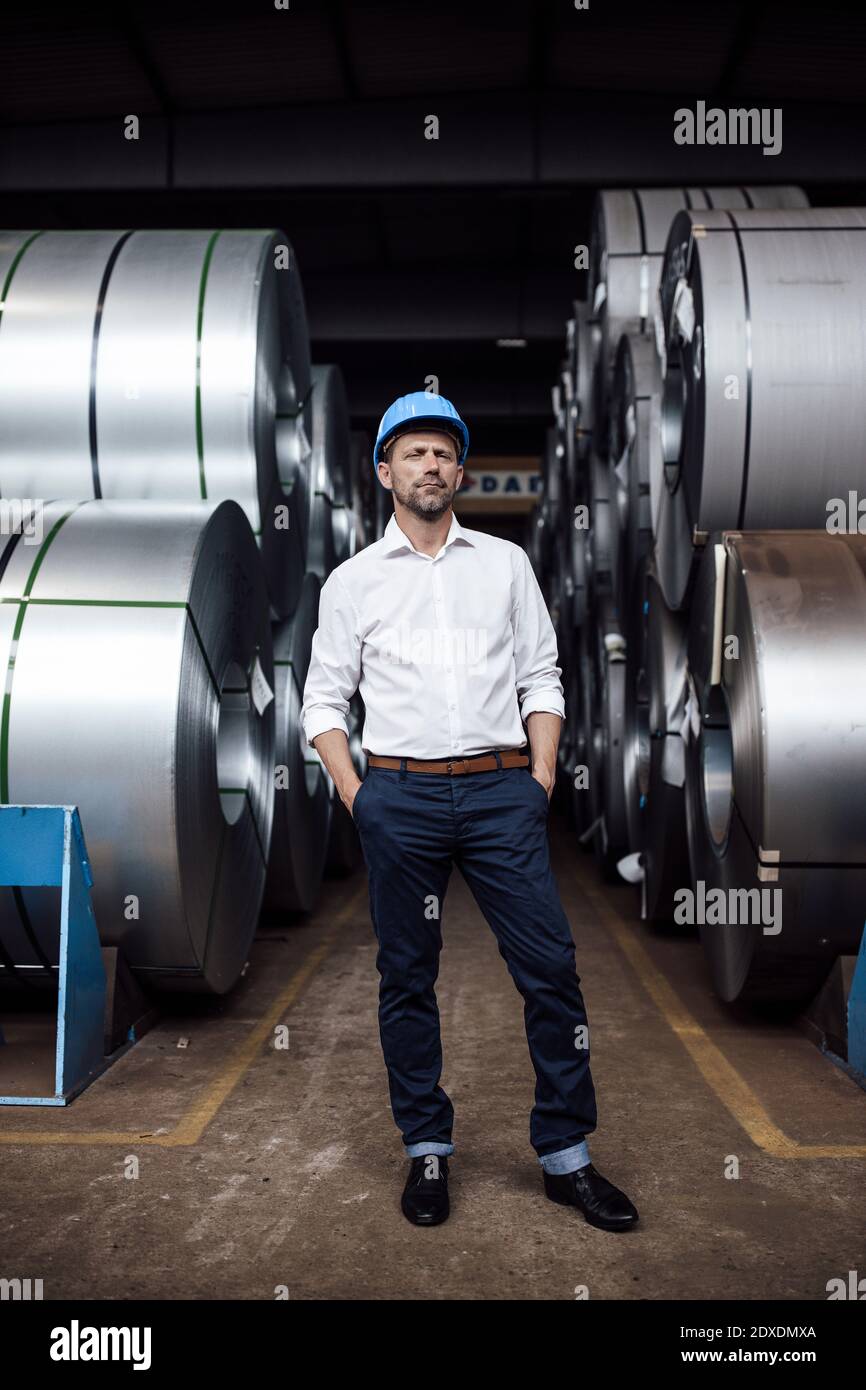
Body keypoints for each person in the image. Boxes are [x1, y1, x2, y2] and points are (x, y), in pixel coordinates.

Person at [301, 391, 638, 1233]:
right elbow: (321, 704)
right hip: (400, 797)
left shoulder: (506, 565)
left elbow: (543, 677)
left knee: (551, 969)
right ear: (385, 472)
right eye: (413, 453)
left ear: (462, 470)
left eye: (444, 453)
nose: (431, 466)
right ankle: (426, 1147)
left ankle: (567, 1157)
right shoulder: (352, 583)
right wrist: (360, 796)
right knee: (407, 977)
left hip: (499, 793)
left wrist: (541, 780)